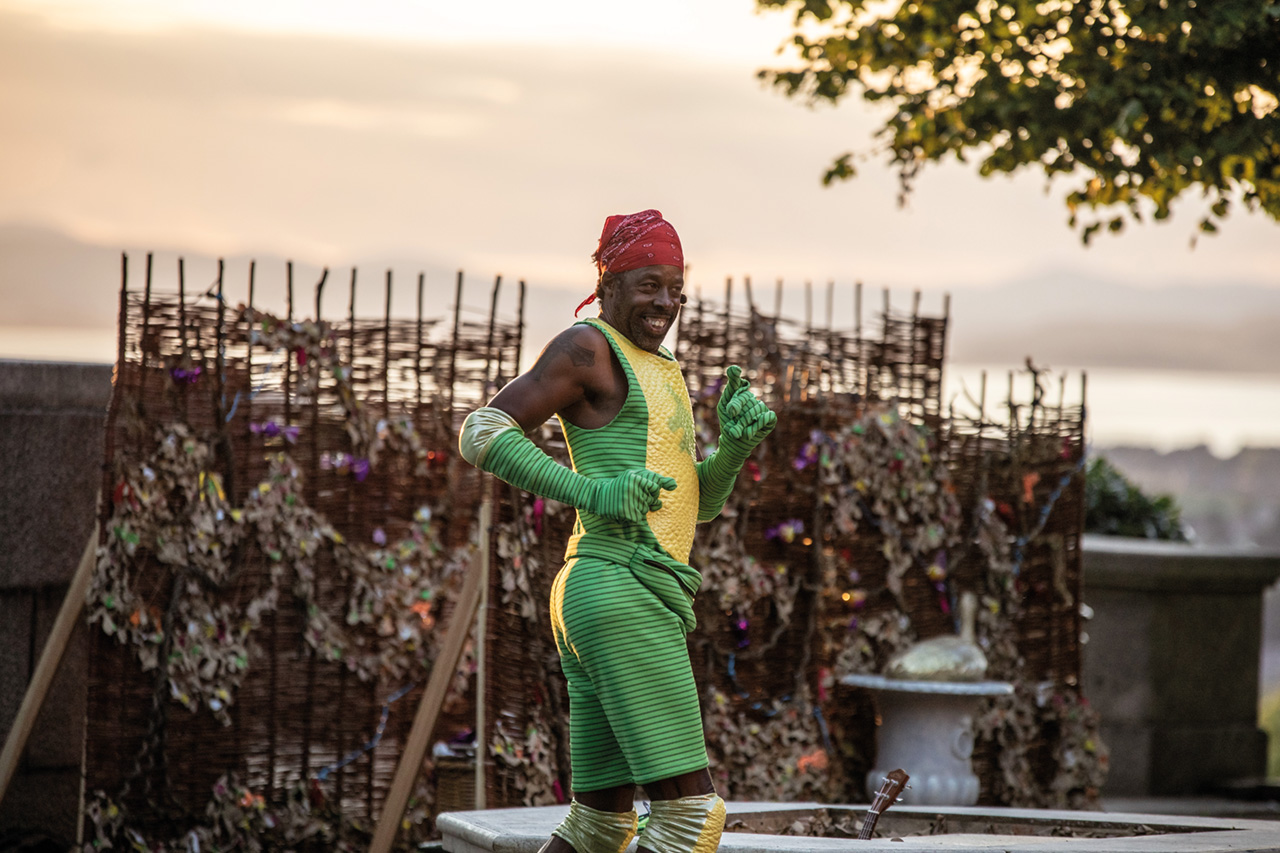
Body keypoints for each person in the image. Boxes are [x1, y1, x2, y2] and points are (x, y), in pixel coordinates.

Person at [458, 209, 775, 853]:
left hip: (611, 591)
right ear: (608, 285)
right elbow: (481, 431)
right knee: (689, 819)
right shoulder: (588, 347)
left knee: (599, 826)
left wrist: (734, 450)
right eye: (648, 285)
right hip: (621, 588)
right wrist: (592, 492)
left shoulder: (659, 366)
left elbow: (692, 507)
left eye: (675, 288)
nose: (666, 302)